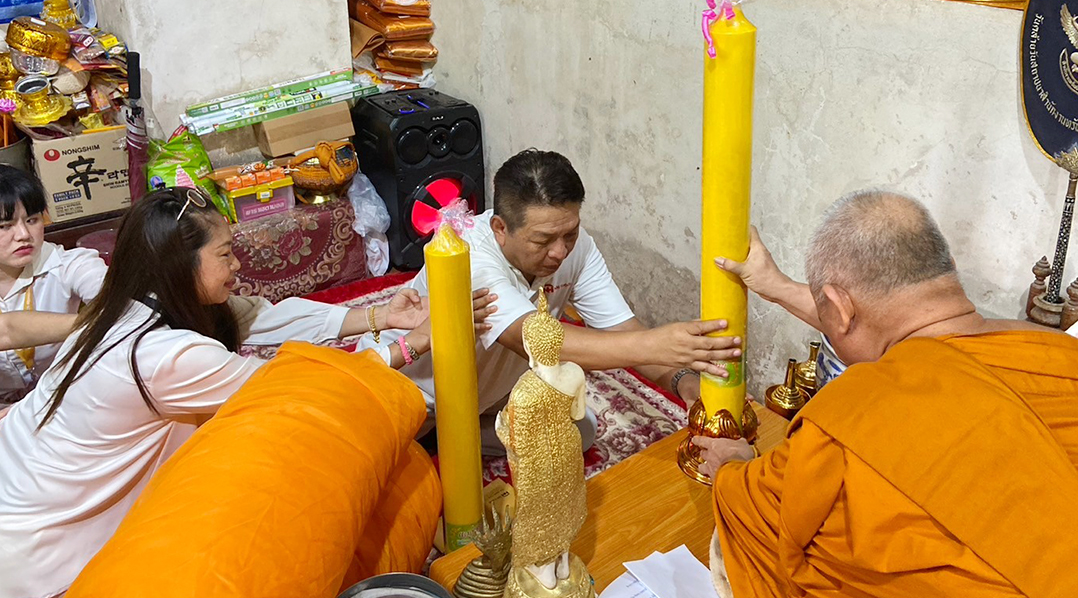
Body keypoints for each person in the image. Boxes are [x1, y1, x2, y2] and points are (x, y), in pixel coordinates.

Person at [0, 187, 493, 598]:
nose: (237, 264)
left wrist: (380, 316)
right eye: (224, 254)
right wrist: (408, 346)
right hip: (39, 546)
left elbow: (256, 315)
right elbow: (298, 391)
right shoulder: (164, 355)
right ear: (179, 264)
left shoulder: (124, 307)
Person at [696, 190, 1078, 598]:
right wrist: (774, 286)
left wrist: (732, 467)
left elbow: (766, 518)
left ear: (839, 306)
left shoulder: (854, 418)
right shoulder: (1076, 361)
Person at [358, 149, 741, 454]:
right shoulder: (464, 253)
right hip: (412, 392)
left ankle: (452, 439)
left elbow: (621, 331)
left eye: (569, 234)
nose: (560, 252)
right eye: (543, 240)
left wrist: (684, 381)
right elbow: (533, 339)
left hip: (488, 396)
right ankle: (432, 439)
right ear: (500, 228)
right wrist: (660, 344)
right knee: (373, 464)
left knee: (578, 431)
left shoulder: (575, 244)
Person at [0, 165, 108, 410]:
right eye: (4, 226)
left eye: (32, 220)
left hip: (62, 401)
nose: (23, 234)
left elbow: (121, 304)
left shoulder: (69, 265)